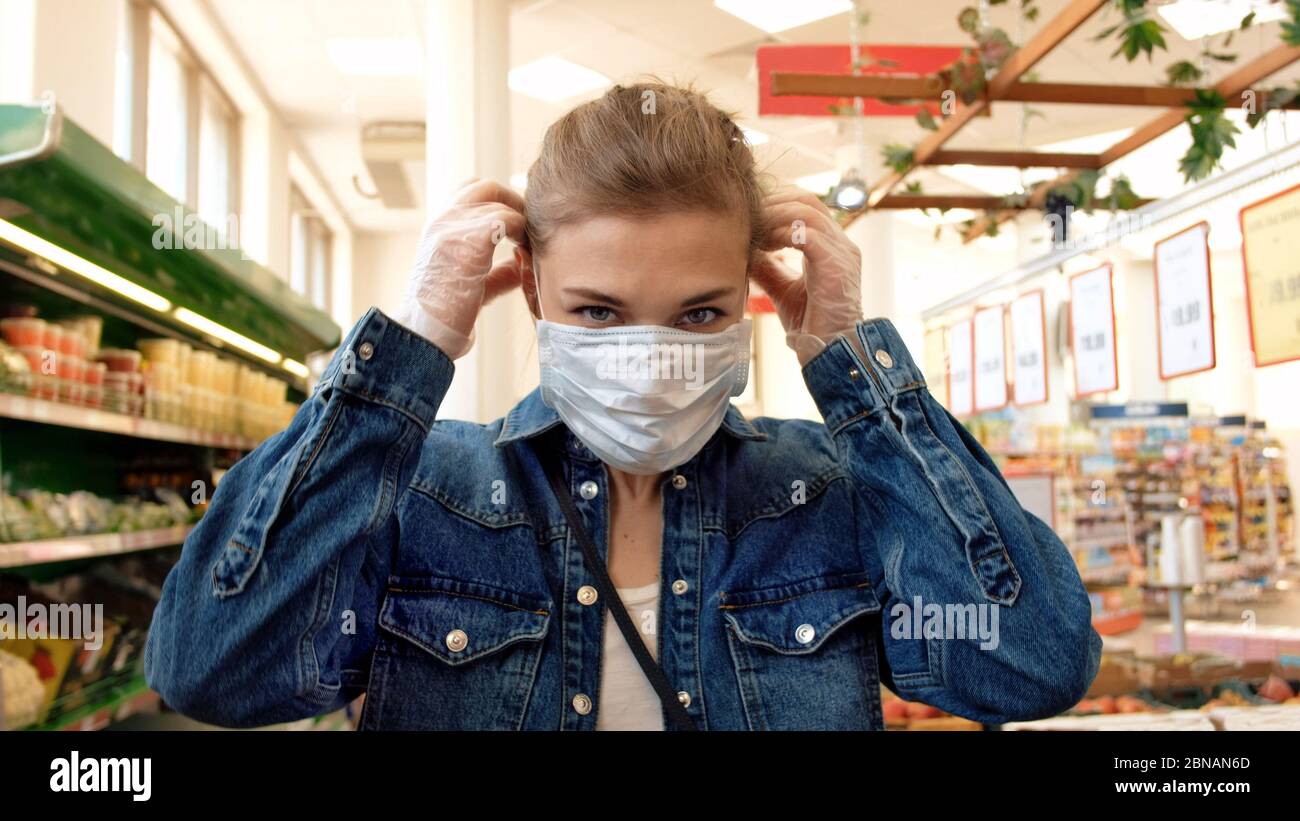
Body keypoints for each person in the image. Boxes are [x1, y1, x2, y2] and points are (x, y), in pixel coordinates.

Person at [144, 78, 1102, 731]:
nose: (646, 358)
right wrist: (410, 348)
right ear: (530, 293)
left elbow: (1029, 661)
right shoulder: (424, 496)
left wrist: (856, 371)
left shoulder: (827, 495)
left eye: (699, 312)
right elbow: (214, 666)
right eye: (597, 311)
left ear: (753, 300)